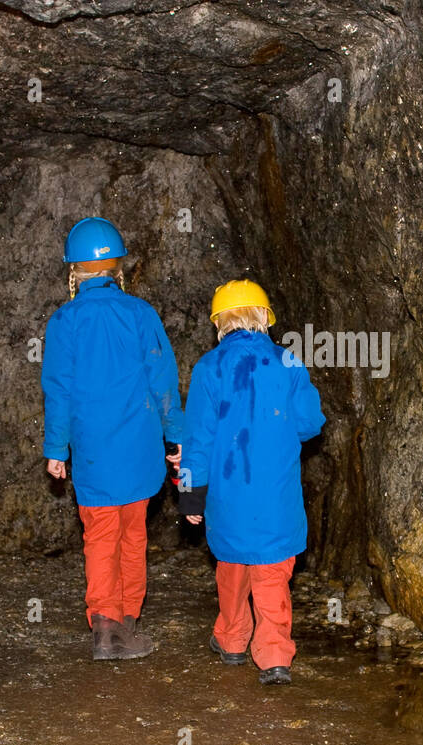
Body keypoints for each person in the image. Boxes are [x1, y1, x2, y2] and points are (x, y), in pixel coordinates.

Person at [41, 217, 184, 660]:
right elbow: (163, 382)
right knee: (133, 534)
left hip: (93, 454)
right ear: (117, 268)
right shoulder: (141, 314)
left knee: (100, 536)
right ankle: (127, 621)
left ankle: (103, 627)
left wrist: (55, 449)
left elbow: (58, 390)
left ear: (74, 272)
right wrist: (175, 436)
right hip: (139, 450)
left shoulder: (64, 321)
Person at [178, 280, 325, 685]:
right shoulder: (289, 362)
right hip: (276, 497)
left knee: (232, 569)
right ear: (264, 317)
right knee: (272, 574)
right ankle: (275, 656)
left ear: (219, 324)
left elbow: (198, 441)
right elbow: (311, 423)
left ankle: (231, 640)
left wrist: (191, 496)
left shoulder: (208, 368)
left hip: (228, 499)